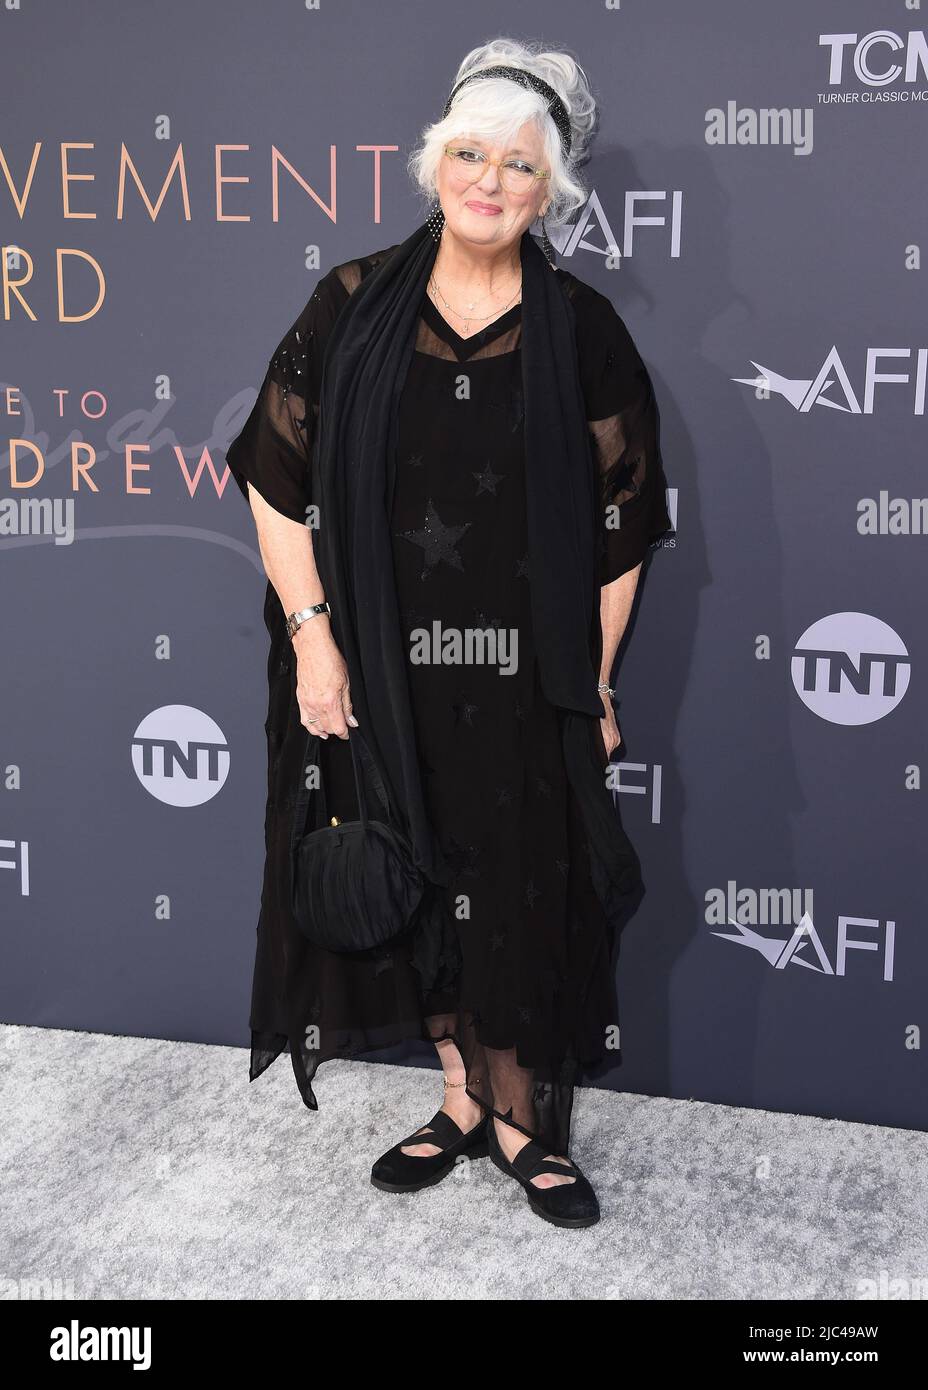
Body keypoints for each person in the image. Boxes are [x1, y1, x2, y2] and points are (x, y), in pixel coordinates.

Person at [225, 37, 672, 1229]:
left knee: (522, 885)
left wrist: (594, 680)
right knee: (416, 882)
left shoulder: (581, 329)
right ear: (434, 164)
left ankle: (527, 1122)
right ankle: (462, 1098)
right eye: (468, 153)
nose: (489, 180)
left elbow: (625, 523)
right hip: (377, 668)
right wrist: (314, 641)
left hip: (526, 680)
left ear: (549, 189)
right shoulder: (354, 302)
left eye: (518, 165)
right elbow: (273, 478)